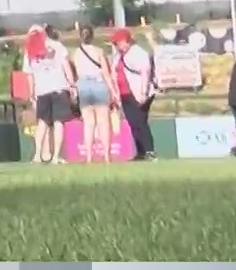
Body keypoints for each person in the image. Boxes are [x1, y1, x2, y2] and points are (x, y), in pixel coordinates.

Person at [23, 25, 76, 165]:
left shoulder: (29, 52)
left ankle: (37, 155)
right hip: (59, 87)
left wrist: (31, 93)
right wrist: (72, 85)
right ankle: (55, 156)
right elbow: (66, 66)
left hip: (41, 90)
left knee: (42, 123)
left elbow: (29, 75)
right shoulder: (57, 46)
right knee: (59, 122)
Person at [109, 28, 158, 161]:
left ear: (126, 41)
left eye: (117, 43)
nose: (116, 46)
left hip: (137, 93)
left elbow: (145, 72)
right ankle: (140, 152)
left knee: (140, 122)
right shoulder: (118, 56)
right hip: (124, 93)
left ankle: (149, 151)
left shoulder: (137, 53)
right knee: (132, 123)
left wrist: (143, 92)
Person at [71, 26, 116, 163]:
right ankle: (107, 156)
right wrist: (113, 90)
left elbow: (75, 73)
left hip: (83, 85)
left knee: (88, 123)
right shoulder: (99, 51)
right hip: (98, 84)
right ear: (92, 36)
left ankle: (89, 156)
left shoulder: (75, 53)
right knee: (103, 122)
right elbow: (106, 73)